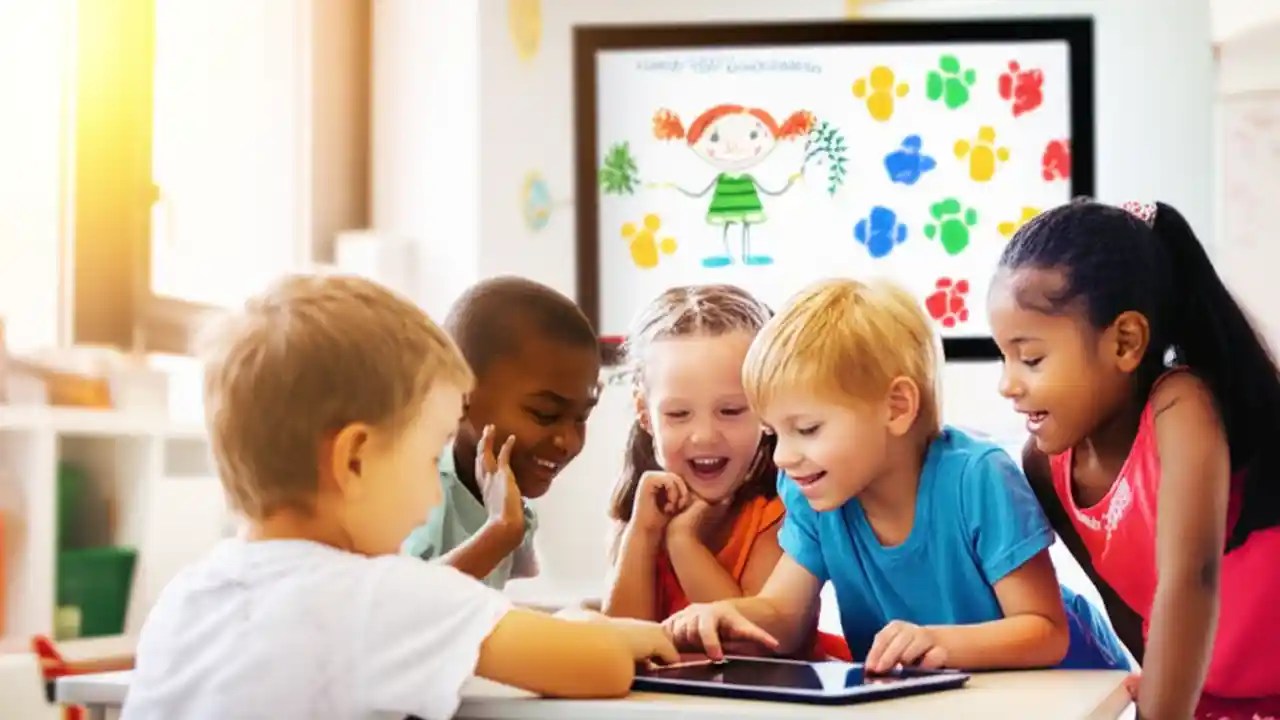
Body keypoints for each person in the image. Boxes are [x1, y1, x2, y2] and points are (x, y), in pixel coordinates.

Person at [122, 275, 675, 720]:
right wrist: (589, 630)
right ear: (354, 460)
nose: (433, 492)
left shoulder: (187, 595)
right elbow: (602, 669)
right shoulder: (375, 596)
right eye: (428, 456)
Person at [663, 278, 1127, 674]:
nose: (782, 457)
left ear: (897, 407)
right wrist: (724, 615)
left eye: (807, 429)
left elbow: (1046, 633)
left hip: (1072, 687)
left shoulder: (977, 479)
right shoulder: (814, 495)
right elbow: (783, 617)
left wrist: (940, 644)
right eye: (774, 433)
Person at [989, 200, 1280, 719]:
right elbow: (1126, 607)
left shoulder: (1181, 407)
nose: (1008, 384)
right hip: (1213, 697)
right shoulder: (1044, 467)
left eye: (1031, 358)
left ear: (1125, 342)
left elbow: (1191, 578)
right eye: (1003, 356)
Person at [600, 284, 849, 660]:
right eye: (678, 414)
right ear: (645, 415)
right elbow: (620, 647)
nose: (704, 436)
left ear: (766, 407)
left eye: (730, 411)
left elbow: (754, 646)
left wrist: (683, 541)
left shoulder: (783, 512)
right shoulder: (643, 514)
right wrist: (643, 533)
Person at [402, 276, 601, 589]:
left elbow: (525, 598)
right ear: (460, 396)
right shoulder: (420, 496)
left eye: (582, 417)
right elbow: (400, 602)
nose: (569, 441)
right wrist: (499, 533)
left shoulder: (507, 495)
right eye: (544, 414)